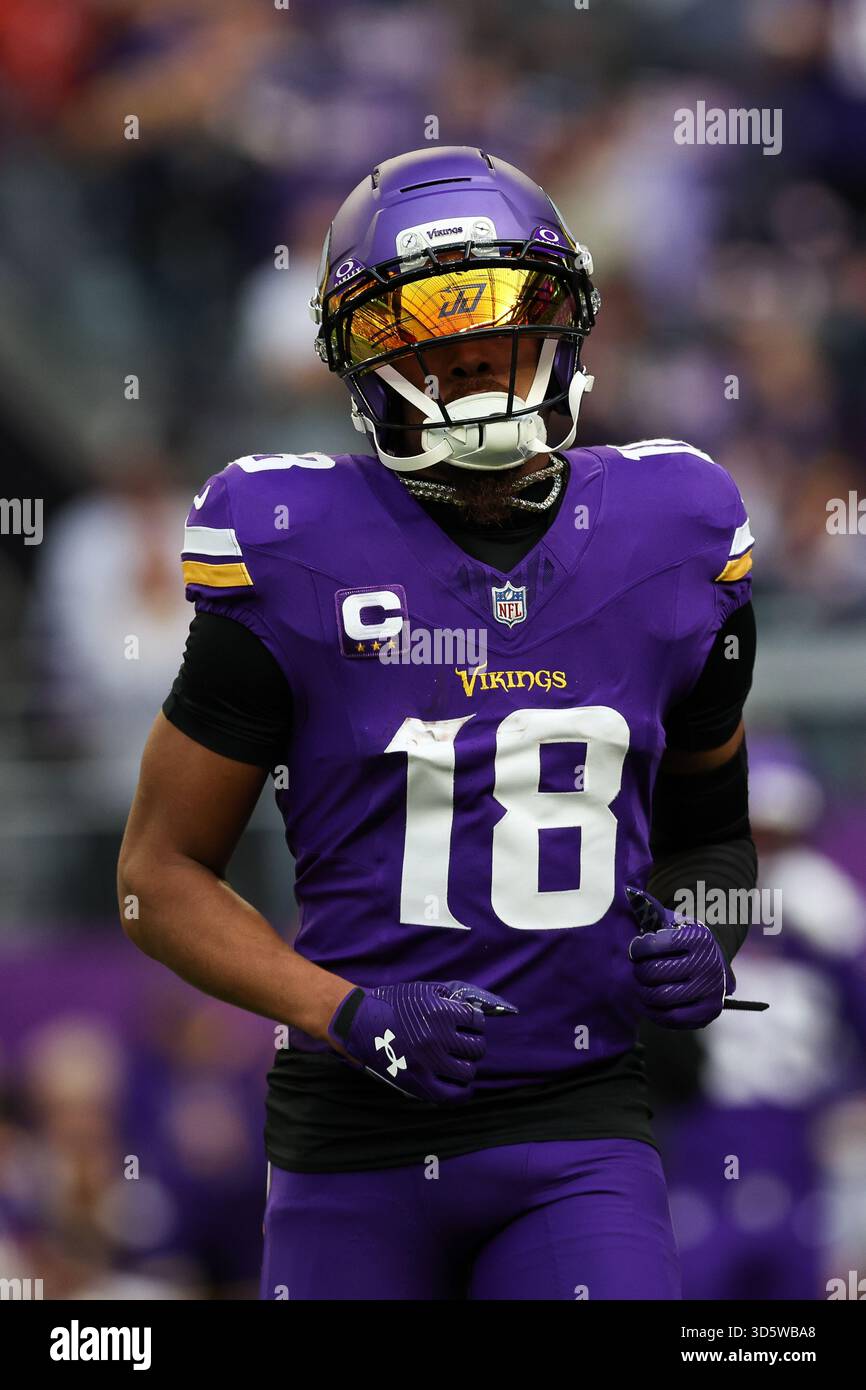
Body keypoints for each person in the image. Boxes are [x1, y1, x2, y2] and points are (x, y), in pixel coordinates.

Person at [118, 145, 759, 1300]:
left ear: (568, 321)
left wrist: (711, 933)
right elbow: (154, 877)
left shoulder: (677, 527)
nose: (476, 375)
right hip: (356, 1133)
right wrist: (346, 1010)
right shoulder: (287, 541)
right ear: (365, 359)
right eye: (438, 344)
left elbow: (714, 833)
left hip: (581, 1117)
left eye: (504, 332)